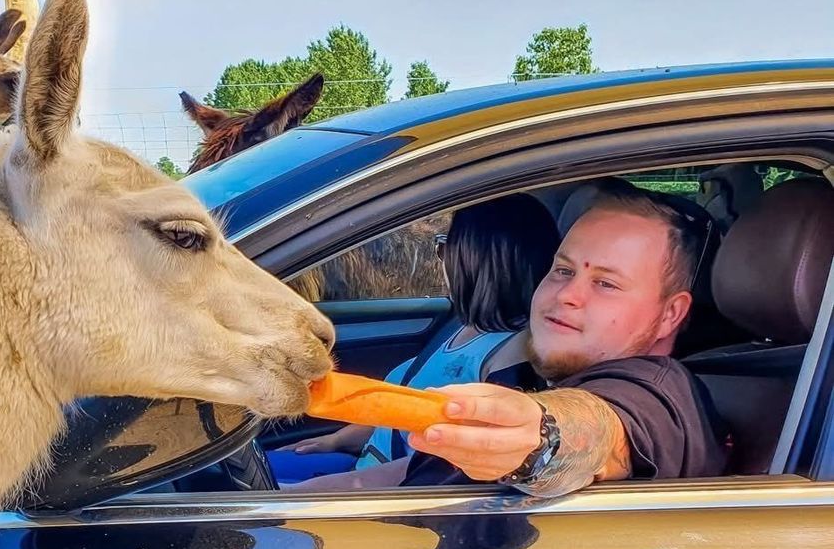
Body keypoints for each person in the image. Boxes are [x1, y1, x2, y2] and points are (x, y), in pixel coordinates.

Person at [291, 181, 729, 496]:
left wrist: (541, 439)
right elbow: (415, 474)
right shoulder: (540, 372)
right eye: (563, 270)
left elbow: (603, 430)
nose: (567, 295)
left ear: (672, 313)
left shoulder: (661, 395)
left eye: (606, 284)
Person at [268, 193, 560, 484]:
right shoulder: (461, 325)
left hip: (391, 491)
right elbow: (398, 414)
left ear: (473, 260)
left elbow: (444, 468)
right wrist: (335, 441)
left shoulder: (512, 353)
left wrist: (318, 490)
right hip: (361, 467)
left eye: (445, 247)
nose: (441, 257)